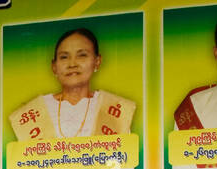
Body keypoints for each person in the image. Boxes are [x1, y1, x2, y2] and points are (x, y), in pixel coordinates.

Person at [7, 28, 136, 141]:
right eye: (64, 57)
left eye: (82, 55)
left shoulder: (113, 109)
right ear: (54, 66)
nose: (72, 64)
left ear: (97, 61)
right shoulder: (34, 112)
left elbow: (123, 164)